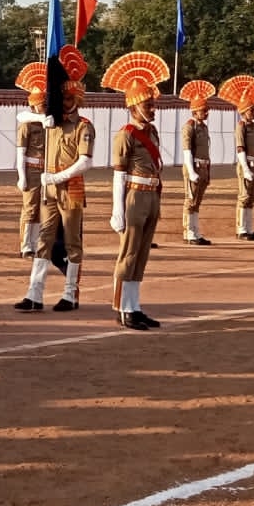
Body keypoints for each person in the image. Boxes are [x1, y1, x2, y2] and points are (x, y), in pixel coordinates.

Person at [16, 48, 93, 312]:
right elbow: (24, 115)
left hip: (70, 188)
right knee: (44, 239)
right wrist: (41, 116)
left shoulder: (84, 126)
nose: (66, 101)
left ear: (78, 99)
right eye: (63, 96)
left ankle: (71, 295)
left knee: (72, 243)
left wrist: (57, 176)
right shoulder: (53, 122)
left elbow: (85, 162)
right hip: (50, 189)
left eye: (71, 97)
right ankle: (34, 294)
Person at [102, 51, 170, 328]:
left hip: (151, 195)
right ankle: (122, 308)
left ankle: (135, 306)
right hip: (133, 196)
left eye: (153, 103)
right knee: (128, 253)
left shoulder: (152, 132)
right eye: (148, 104)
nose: (153, 108)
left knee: (141, 255)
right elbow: (118, 174)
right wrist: (117, 210)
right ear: (134, 105)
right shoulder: (126, 134)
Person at [11, 65, 48, 259]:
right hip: (32, 168)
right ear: (34, 105)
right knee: (30, 208)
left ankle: (35, 243)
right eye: (42, 103)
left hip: (46, 169)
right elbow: (21, 152)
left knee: (42, 209)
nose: (45, 106)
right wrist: (22, 176)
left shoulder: (48, 122)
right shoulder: (26, 124)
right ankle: (25, 245)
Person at [178, 82, 214, 245]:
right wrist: (191, 171)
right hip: (194, 166)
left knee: (197, 202)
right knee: (190, 200)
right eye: (203, 110)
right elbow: (187, 149)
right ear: (195, 111)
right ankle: (189, 232)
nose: (206, 113)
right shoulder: (189, 126)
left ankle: (195, 231)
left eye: (206, 110)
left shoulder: (203, 127)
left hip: (203, 166)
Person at [229, 81, 254, 241]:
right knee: (244, 196)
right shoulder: (241, 126)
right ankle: (241, 229)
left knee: (251, 197)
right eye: (251, 110)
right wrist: (246, 168)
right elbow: (240, 147)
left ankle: (249, 228)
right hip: (247, 164)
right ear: (243, 111)